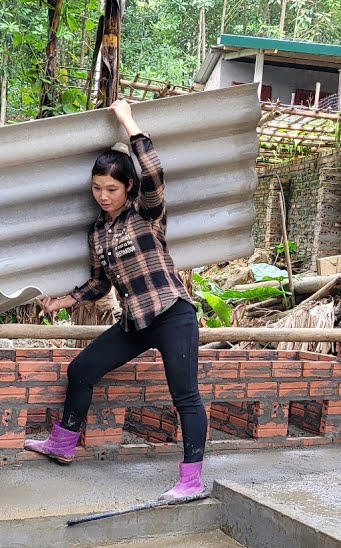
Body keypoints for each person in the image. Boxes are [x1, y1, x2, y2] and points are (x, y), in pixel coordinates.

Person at [24, 99, 207, 502]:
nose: (103, 196)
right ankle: (63, 442)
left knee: (185, 397)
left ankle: (191, 481)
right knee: (81, 369)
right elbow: (99, 284)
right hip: (135, 322)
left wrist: (127, 121)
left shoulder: (147, 213)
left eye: (111, 189)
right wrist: (63, 302)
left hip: (172, 314)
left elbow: (155, 172)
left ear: (128, 188)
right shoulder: (97, 232)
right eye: (96, 188)